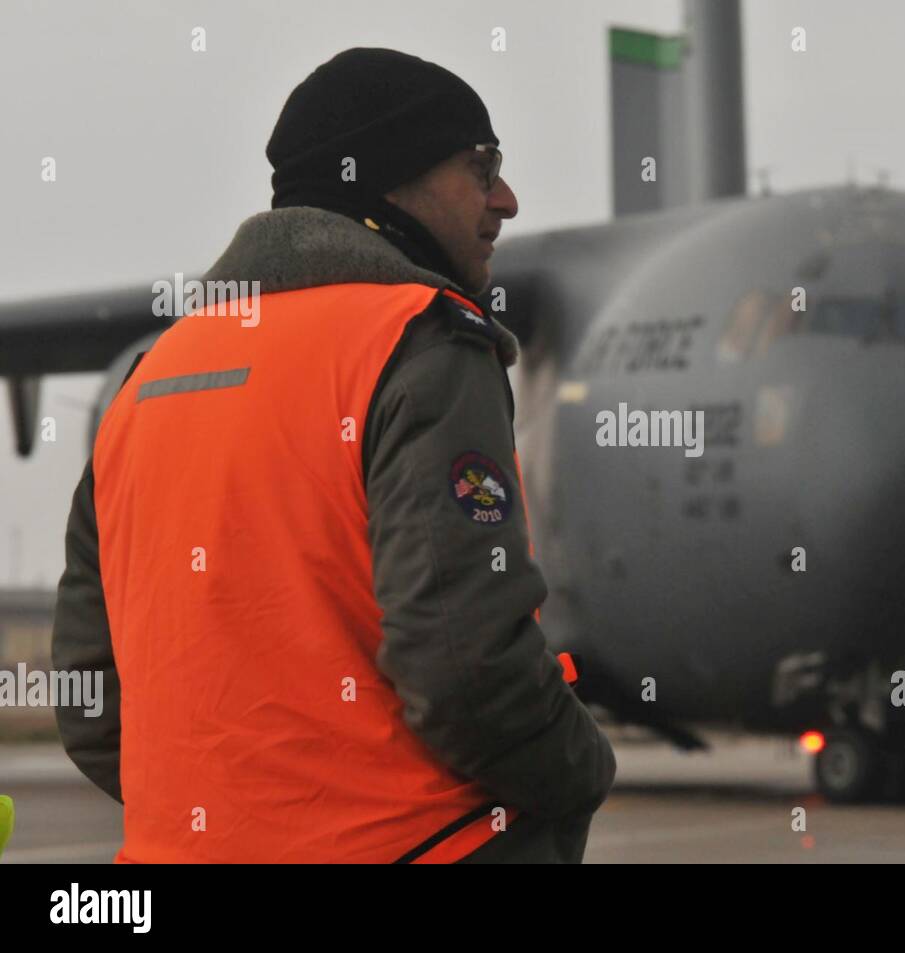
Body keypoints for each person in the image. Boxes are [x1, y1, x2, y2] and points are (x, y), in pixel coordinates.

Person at [51, 47, 615, 863]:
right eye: (480, 164)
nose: (506, 199)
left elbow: (91, 696)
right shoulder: (421, 341)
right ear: (393, 177)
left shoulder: (150, 377)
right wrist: (582, 770)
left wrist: (232, 814)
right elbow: (464, 665)